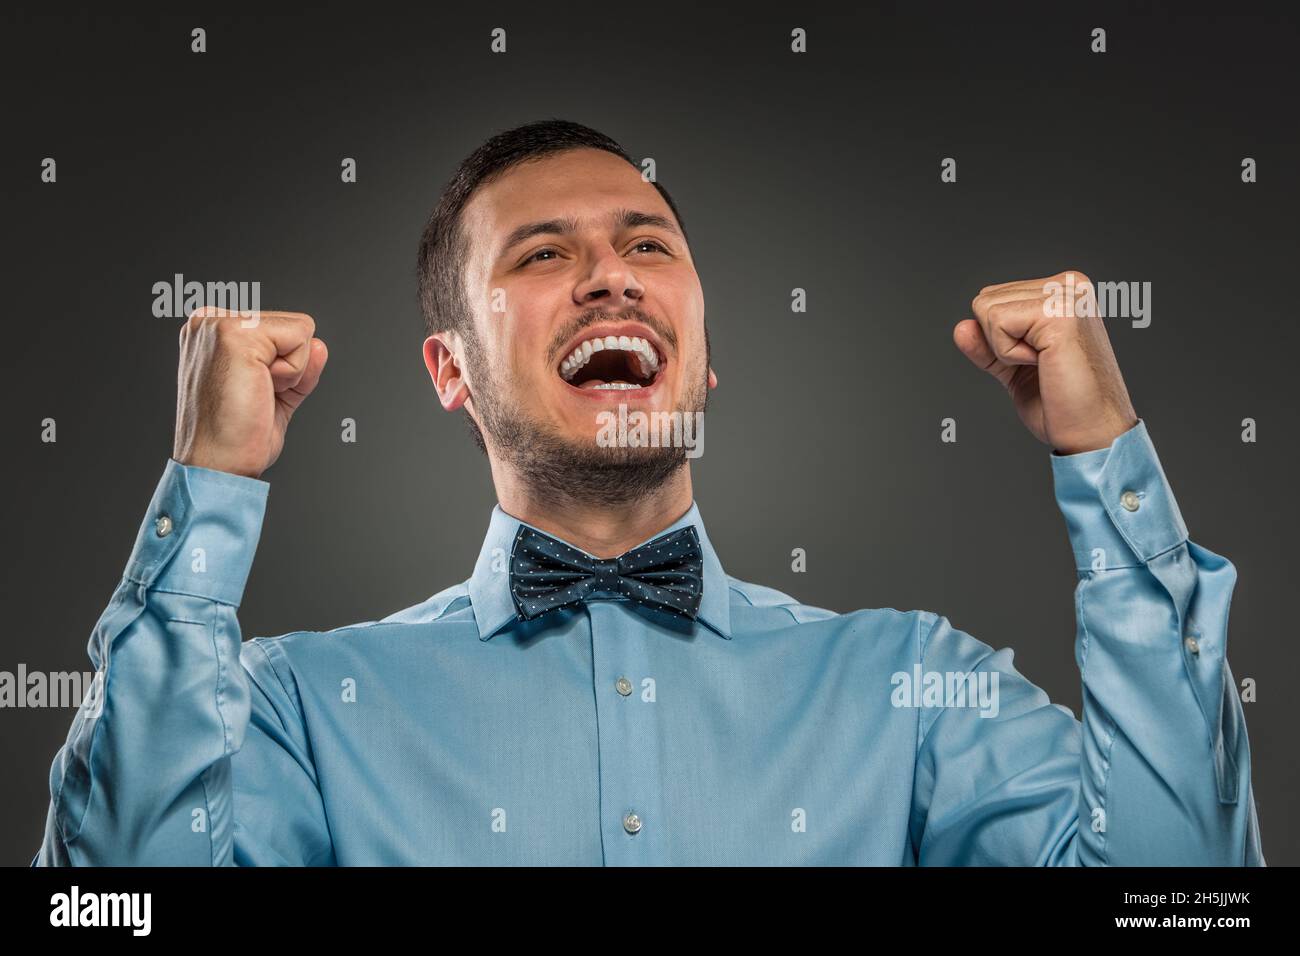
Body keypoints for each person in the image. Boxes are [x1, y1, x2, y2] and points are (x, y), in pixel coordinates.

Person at [35, 119, 1263, 865]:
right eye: (543, 254)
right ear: (449, 370)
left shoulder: (914, 688)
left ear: (705, 351)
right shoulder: (299, 709)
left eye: (646, 246)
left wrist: (1104, 458)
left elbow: (1178, 895)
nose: (609, 280)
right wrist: (208, 489)